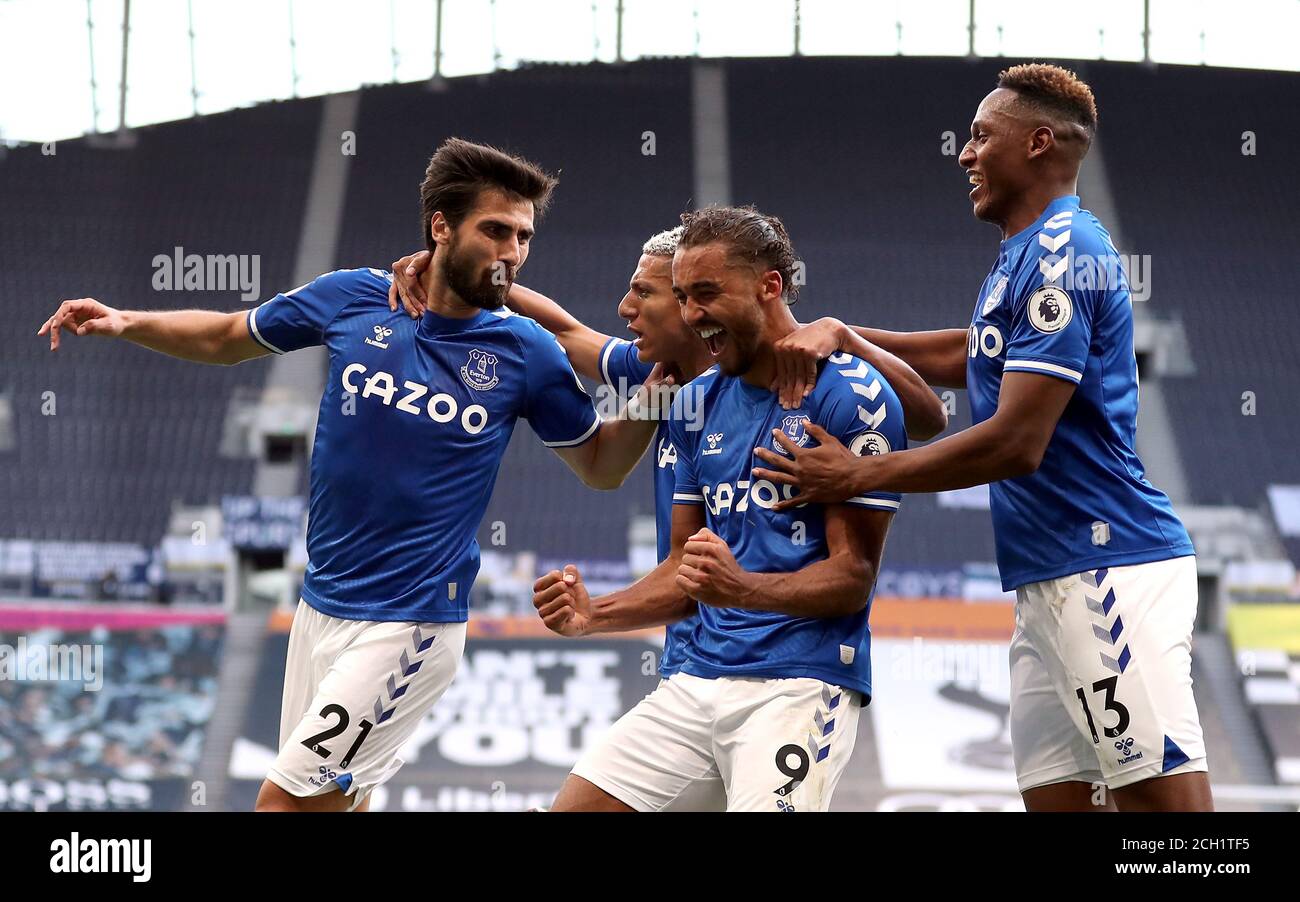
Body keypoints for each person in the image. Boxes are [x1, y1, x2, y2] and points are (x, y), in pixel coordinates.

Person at [36, 137, 663, 812]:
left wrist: (657, 396)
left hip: (410, 624)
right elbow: (225, 336)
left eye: (523, 237)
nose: (511, 252)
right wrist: (128, 319)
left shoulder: (528, 354)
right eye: (495, 231)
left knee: (282, 806)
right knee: (342, 807)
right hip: (318, 610)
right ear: (440, 227)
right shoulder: (353, 298)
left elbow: (600, 466)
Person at [751, 64, 1211, 812]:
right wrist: (843, 335)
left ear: (1036, 144)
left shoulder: (1065, 251)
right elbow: (970, 354)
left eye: (979, 136)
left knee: (1164, 819)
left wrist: (861, 475)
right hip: (1045, 582)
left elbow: (1016, 442)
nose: (964, 154)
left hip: (1106, 567)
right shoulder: (1025, 254)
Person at [388, 227, 946, 698]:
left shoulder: (802, 370)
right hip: (690, 654)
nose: (625, 310)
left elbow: (922, 419)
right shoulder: (660, 377)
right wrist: (456, 271)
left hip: (784, 664)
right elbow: (562, 331)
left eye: (645, 294)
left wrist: (846, 337)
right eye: (675, 292)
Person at [530, 205, 908, 811]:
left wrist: (742, 590)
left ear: (770, 286)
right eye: (682, 296)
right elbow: (686, 568)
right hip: (694, 678)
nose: (692, 314)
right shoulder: (691, 401)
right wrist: (593, 614)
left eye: (705, 293)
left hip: (798, 687)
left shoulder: (851, 394)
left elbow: (853, 577)